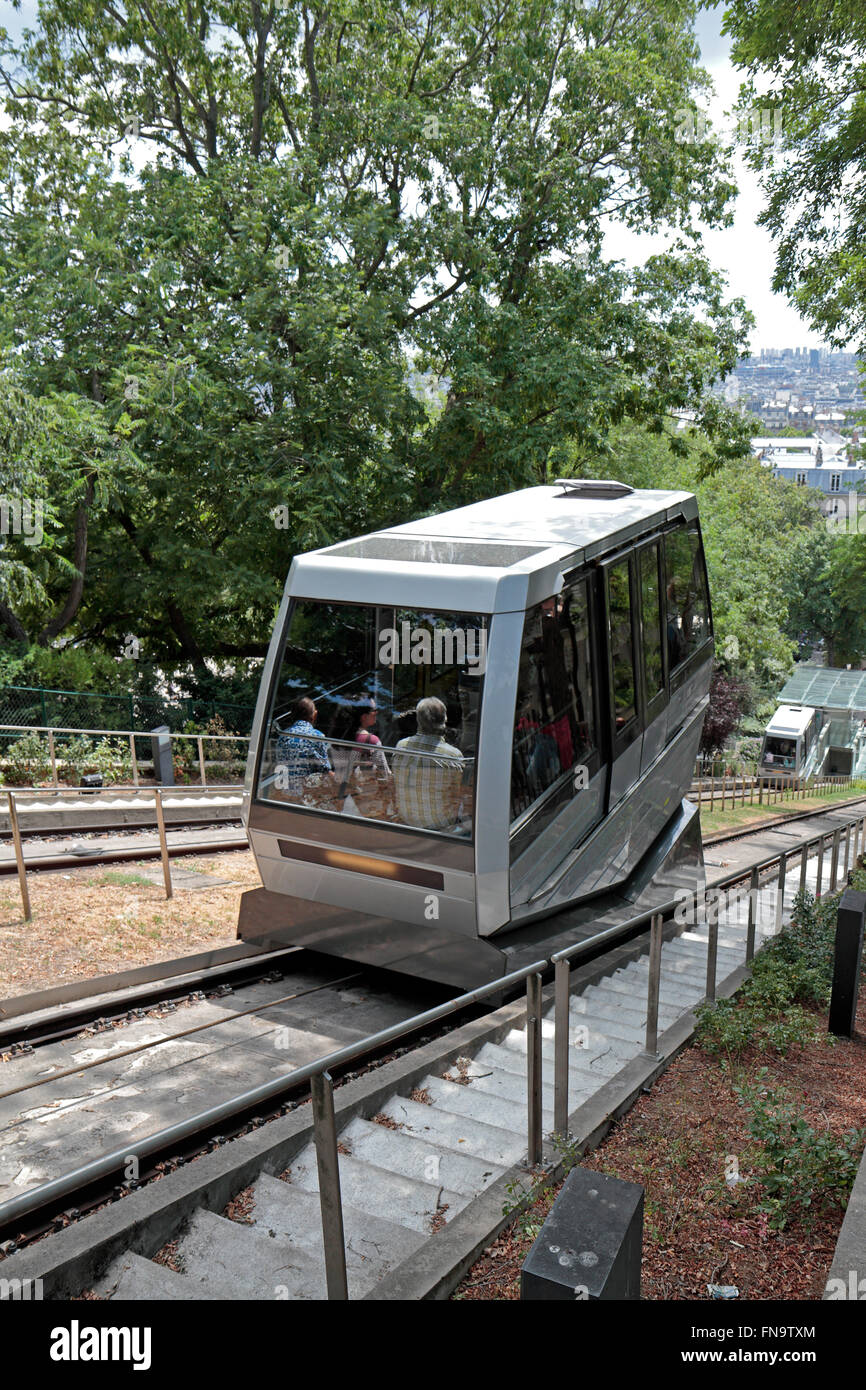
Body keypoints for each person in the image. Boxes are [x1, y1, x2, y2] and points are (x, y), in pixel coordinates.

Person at [391, 696, 464, 831]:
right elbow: (457, 794)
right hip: (440, 825)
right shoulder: (453, 755)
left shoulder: (401, 746)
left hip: (406, 819)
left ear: (418, 720)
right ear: (445, 720)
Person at [274, 696, 333, 799]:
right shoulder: (317, 736)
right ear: (314, 715)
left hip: (284, 796)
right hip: (306, 797)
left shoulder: (283, 736)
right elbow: (325, 770)